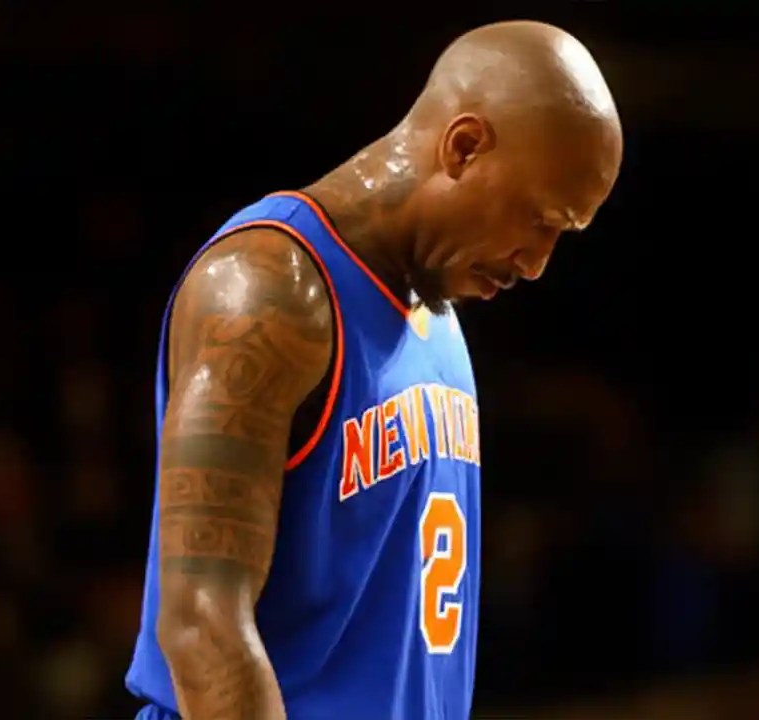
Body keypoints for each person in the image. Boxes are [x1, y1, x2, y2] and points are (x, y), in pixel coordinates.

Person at [124, 19, 623, 720]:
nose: (538, 263)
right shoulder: (267, 289)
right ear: (465, 146)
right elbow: (202, 625)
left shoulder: (437, 309)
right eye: (540, 219)